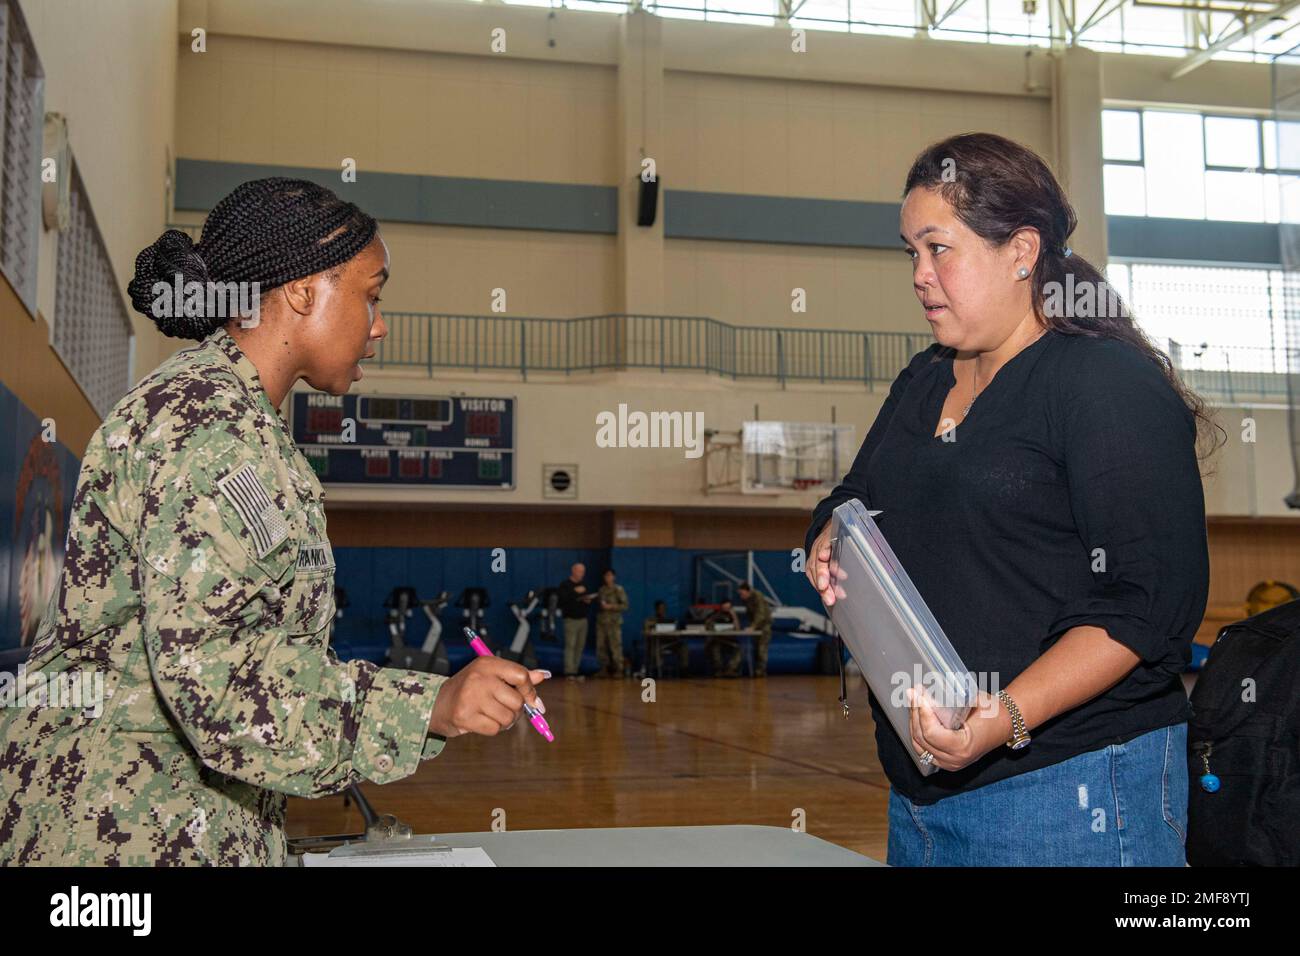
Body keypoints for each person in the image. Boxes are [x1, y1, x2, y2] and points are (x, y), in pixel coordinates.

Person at [0, 179, 548, 866]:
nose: (378, 324)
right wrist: (432, 707)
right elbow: (224, 688)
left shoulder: (240, 423)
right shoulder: (205, 430)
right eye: (371, 295)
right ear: (302, 291)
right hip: (120, 839)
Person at [805, 134, 1224, 867]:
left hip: (1074, 790)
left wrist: (1004, 717)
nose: (919, 275)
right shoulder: (926, 380)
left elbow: (1150, 604)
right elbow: (854, 495)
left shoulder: (1102, 385)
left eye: (939, 249)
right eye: (910, 253)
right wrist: (825, 541)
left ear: (1021, 250)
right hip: (922, 795)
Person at [557, 563, 595, 680]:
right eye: (579, 571)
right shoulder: (565, 585)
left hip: (583, 619)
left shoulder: (583, 585)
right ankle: (569, 672)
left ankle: (575, 670)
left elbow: (584, 599)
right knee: (571, 645)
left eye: (583, 572)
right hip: (571, 620)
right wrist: (575, 592)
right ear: (573, 571)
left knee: (580, 646)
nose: (581, 574)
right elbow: (562, 600)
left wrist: (587, 600)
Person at [594, 568, 629, 678]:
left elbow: (625, 606)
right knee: (601, 646)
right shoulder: (602, 590)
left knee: (615, 646)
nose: (608, 578)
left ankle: (618, 669)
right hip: (602, 622)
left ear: (614, 577)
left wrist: (611, 606)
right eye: (606, 576)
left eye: (610, 576)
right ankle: (603, 668)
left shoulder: (618, 589)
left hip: (614, 622)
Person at [643, 599, 689, 676]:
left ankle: (684, 670)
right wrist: (654, 625)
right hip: (658, 644)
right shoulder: (650, 620)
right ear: (656, 609)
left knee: (683, 646)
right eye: (660, 609)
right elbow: (646, 631)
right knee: (654, 648)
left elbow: (675, 633)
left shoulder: (669, 620)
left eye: (664, 609)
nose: (662, 610)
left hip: (669, 643)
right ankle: (656, 671)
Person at [736, 582, 773, 678]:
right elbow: (750, 614)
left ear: (748, 591)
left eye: (742, 593)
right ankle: (757, 671)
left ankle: (760, 672)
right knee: (756, 649)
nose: (741, 596)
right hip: (756, 626)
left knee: (762, 649)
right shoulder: (746, 600)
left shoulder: (757, 596)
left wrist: (753, 626)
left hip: (764, 625)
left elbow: (760, 614)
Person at [704, 599, 743, 677]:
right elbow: (708, 626)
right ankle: (718, 670)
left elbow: (738, 629)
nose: (726, 609)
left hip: (729, 641)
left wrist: (734, 616)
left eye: (728, 608)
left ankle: (731, 669)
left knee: (738, 648)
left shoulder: (733, 616)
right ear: (721, 607)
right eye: (725, 607)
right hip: (718, 640)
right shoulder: (715, 615)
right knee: (715, 647)